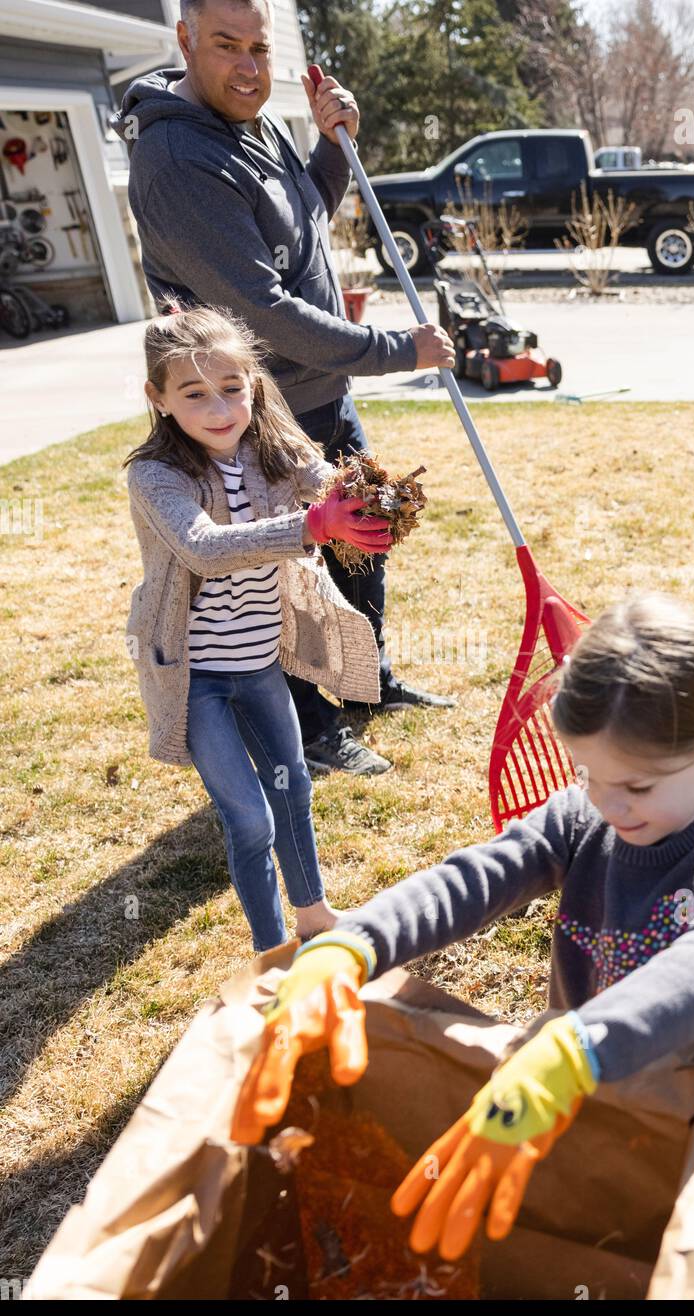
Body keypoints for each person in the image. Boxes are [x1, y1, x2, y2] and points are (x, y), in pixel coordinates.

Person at [231, 593, 694, 1299]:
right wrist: (353, 945)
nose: (608, 805)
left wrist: (575, 1048)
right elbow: (472, 881)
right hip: (601, 1131)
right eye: (587, 775)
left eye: (634, 785)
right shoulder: (584, 819)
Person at [112, 0, 457, 778]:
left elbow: (300, 222)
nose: (248, 67)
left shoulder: (253, 125)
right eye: (228, 46)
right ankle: (311, 730)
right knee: (288, 577)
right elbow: (261, 311)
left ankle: (367, 684)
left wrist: (333, 150)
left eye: (260, 49)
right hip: (255, 412)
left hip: (322, 391)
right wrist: (399, 349)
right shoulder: (176, 161)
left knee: (363, 542)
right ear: (186, 42)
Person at [123, 300, 392, 952]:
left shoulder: (270, 441)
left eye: (232, 389)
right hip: (198, 676)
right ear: (157, 398)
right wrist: (309, 527)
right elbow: (204, 547)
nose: (220, 409)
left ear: (253, 383)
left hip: (259, 663)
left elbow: (322, 478)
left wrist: (358, 499)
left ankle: (314, 917)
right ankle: (271, 951)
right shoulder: (156, 475)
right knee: (247, 818)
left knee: (292, 788)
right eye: (195, 394)